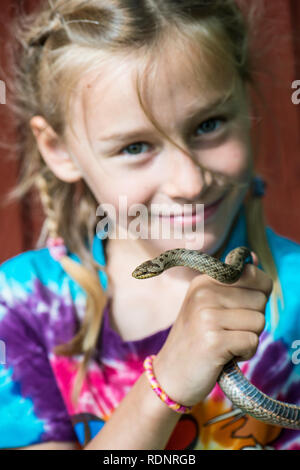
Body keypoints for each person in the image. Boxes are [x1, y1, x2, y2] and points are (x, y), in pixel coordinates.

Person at [0, 0, 300, 451]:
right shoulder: (22, 306)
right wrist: (166, 382)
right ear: (57, 148)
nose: (190, 182)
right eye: (136, 146)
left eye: (209, 124)